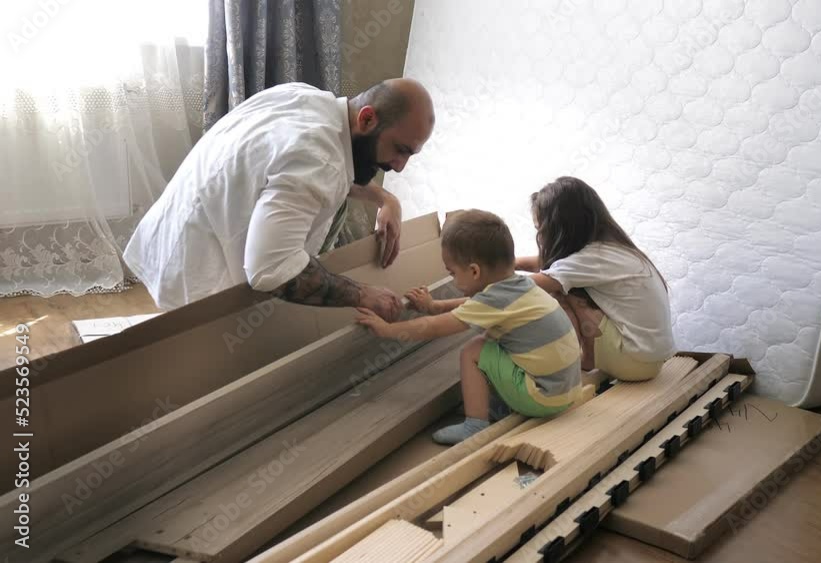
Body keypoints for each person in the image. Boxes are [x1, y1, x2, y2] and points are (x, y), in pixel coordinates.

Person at [124, 78, 435, 320]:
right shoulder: (318, 159)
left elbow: (298, 172)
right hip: (198, 274)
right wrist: (364, 295)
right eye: (401, 150)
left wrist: (384, 198)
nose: (399, 166)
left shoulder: (306, 99)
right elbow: (271, 270)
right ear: (367, 120)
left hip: (174, 231)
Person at [356, 210, 582, 445]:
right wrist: (435, 306)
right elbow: (477, 305)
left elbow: (433, 328)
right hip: (566, 391)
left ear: (474, 271)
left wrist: (387, 330)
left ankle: (475, 425)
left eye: (452, 272)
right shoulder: (519, 285)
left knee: (474, 350)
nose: (452, 278)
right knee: (494, 343)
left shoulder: (495, 300)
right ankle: (506, 404)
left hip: (544, 397)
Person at [516, 176, 676, 382]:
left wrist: (479, 292)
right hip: (650, 361)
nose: (540, 236)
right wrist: (511, 263)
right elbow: (550, 263)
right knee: (563, 281)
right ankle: (589, 359)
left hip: (633, 362)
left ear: (560, 228)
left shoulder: (593, 258)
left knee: (560, 291)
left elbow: (527, 286)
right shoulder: (612, 249)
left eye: (540, 229)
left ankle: (573, 365)